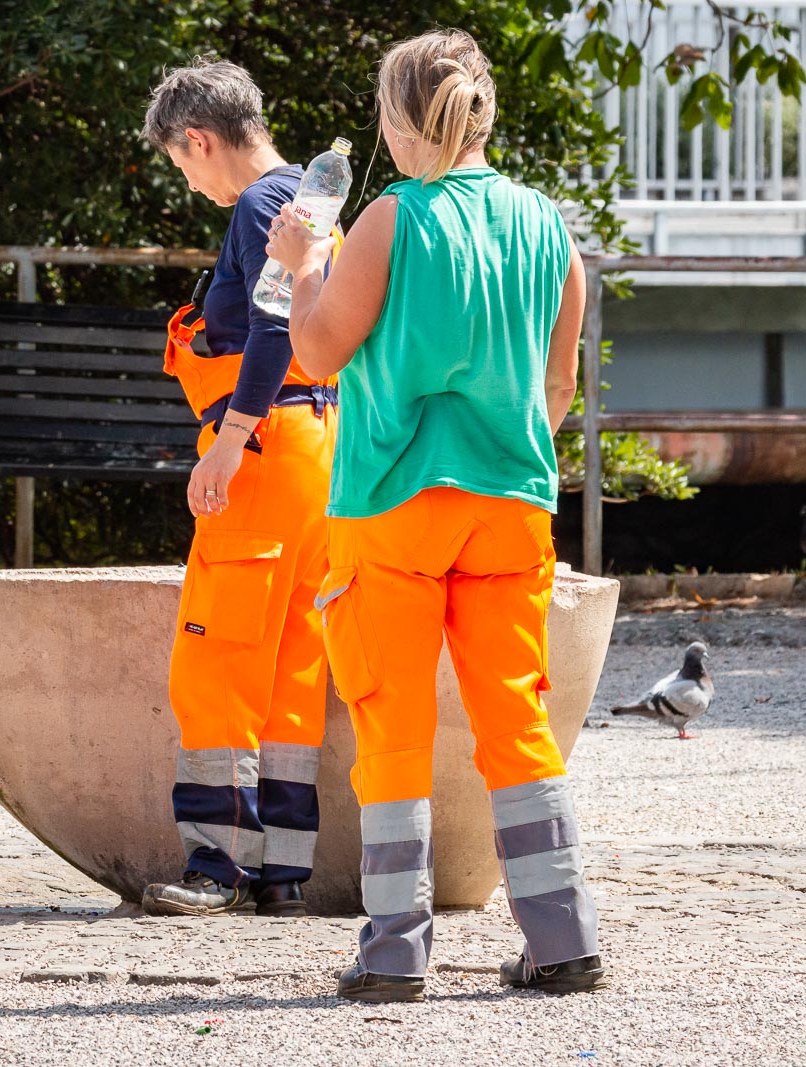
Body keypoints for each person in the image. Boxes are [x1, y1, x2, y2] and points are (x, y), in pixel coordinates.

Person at [265, 29, 604, 1000]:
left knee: (393, 722)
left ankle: (394, 949)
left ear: (398, 122)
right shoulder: (547, 226)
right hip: (510, 503)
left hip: (392, 501)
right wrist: (510, 458)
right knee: (514, 717)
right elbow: (555, 383)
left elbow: (322, 353)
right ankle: (562, 938)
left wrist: (300, 263)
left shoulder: (387, 218)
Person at [137, 59, 339, 919]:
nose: (189, 180)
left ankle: (215, 867)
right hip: (325, 450)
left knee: (215, 657)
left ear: (201, 138)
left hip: (265, 444)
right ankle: (282, 872)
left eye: (182, 165)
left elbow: (266, 327)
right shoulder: (319, 204)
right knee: (295, 661)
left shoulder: (263, 204)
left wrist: (228, 439)